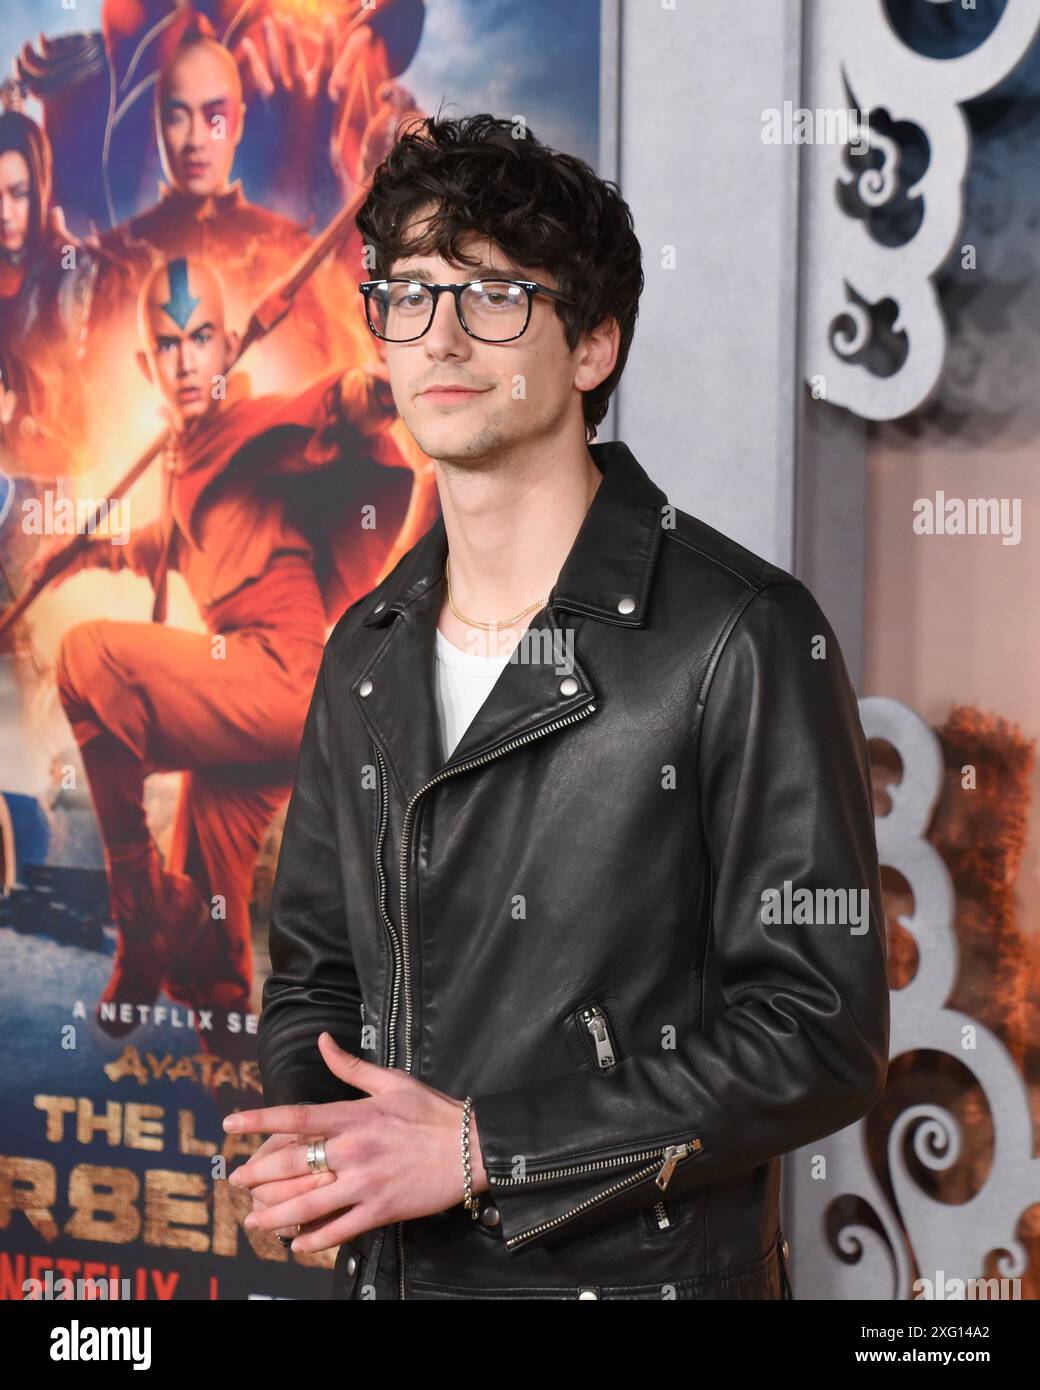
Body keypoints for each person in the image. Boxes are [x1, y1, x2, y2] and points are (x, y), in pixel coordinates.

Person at [230, 113, 890, 1300]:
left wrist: (483, 1149)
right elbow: (316, 976)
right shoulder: (366, 651)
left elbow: (816, 1033)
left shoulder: (738, 634)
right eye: (412, 292)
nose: (441, 334)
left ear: (591, 346)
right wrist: (325, 1146)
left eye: (492, 296)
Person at [27, 254, 416, 1058]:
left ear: (228, 342)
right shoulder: (188, 458)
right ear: (149, 363)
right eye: (169, 345)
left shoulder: (255, 430)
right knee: (207, 925)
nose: (187, 360)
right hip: (250, 702)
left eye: (202, 337)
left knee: (88, 660)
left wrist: (380, 384)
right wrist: (81, 554)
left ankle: (138, 925)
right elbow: (165, 543)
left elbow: (336, 411)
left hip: (282, 678)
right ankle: (235, 1076)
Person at [87, 17, 348, 392]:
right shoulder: (115, 259)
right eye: (178, 118)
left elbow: (333, 380)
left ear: (238, 123)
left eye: (214, 118)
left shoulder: (289, 248)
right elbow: (87, 408)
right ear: (157, 123)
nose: (195, 139)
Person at [0, 110, 95, 476]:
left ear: (39, 189)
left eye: (18, 195)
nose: (5, 213)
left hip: (53, 479)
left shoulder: (71, 270)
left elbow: (90, 409)